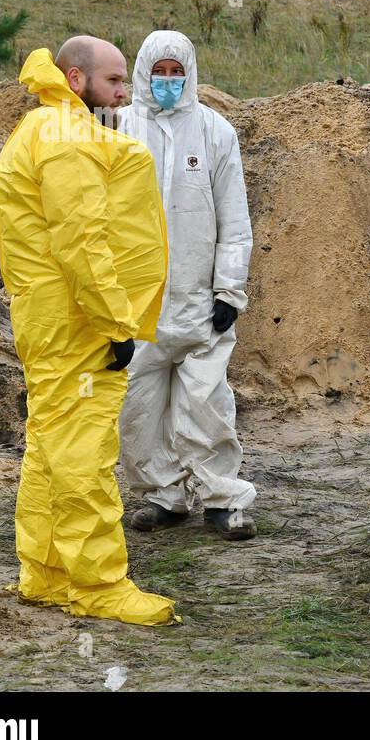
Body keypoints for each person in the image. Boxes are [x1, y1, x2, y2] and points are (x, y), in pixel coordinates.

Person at [0, 36, 177, 626]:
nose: (125, 93)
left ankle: (46, 572)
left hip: (51, 316)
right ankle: (98, 584)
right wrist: (114, 320)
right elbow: (82, 241)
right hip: (76, 321)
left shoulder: (48, 130)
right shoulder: (66, 140)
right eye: (115, 81)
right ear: (76, 79)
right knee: (85, 454)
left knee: (51, 446)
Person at [116, 31, 257, 540]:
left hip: (200, 301)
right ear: (143, 73)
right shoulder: (117, 128)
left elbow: (234, 219)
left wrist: (229, 291)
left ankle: (223, 498)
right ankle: (163, 494)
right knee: (139, 407)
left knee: (207, 403)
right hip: (138, 304)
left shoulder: (215, 132)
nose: (169, 82)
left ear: (191, 73)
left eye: (178, 72)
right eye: (161, 72)